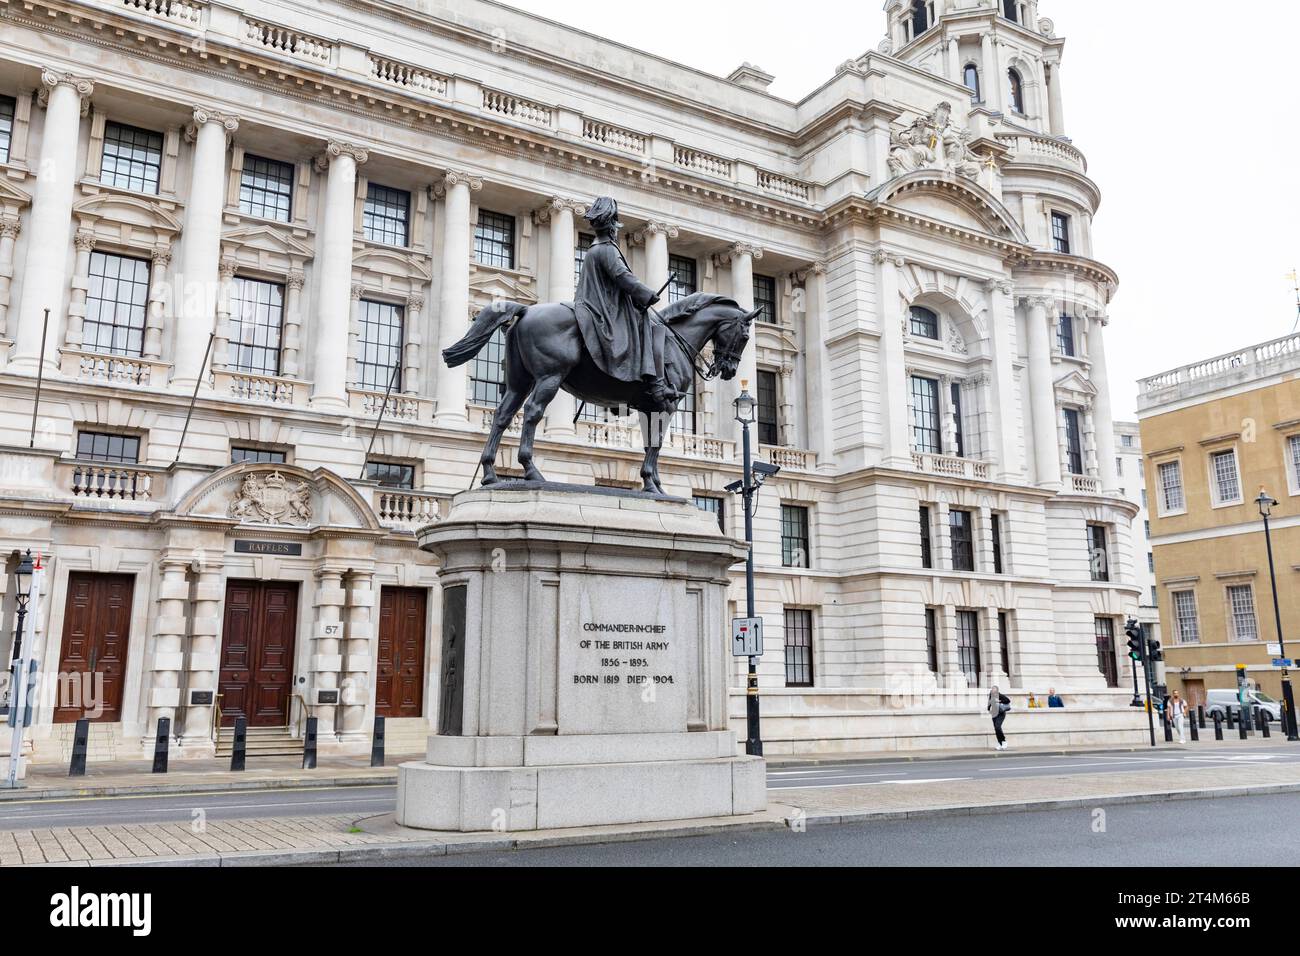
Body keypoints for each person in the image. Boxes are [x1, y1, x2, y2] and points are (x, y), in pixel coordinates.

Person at [573, 196, 681, 411]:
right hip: (606, 308)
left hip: (595, 303)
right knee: (653, 328)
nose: (616, 230)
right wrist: (647, 295)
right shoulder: (607, 249)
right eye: (615, 227)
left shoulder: (595, 249)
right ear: (612, 227)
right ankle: (656, 384)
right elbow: (622, 276)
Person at [988, 685, 1011, 751]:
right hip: (994, 714)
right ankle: (1000, 743)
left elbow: (1008, 700)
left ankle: (1004, 741)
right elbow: (989, 703)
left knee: (998, 727)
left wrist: (999, 701)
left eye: (994, 689)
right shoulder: (991, 695)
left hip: (1001, 714)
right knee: (996, 729)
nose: (993, 690)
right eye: (992, 689)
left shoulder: (1000, 695)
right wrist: (989, 709)